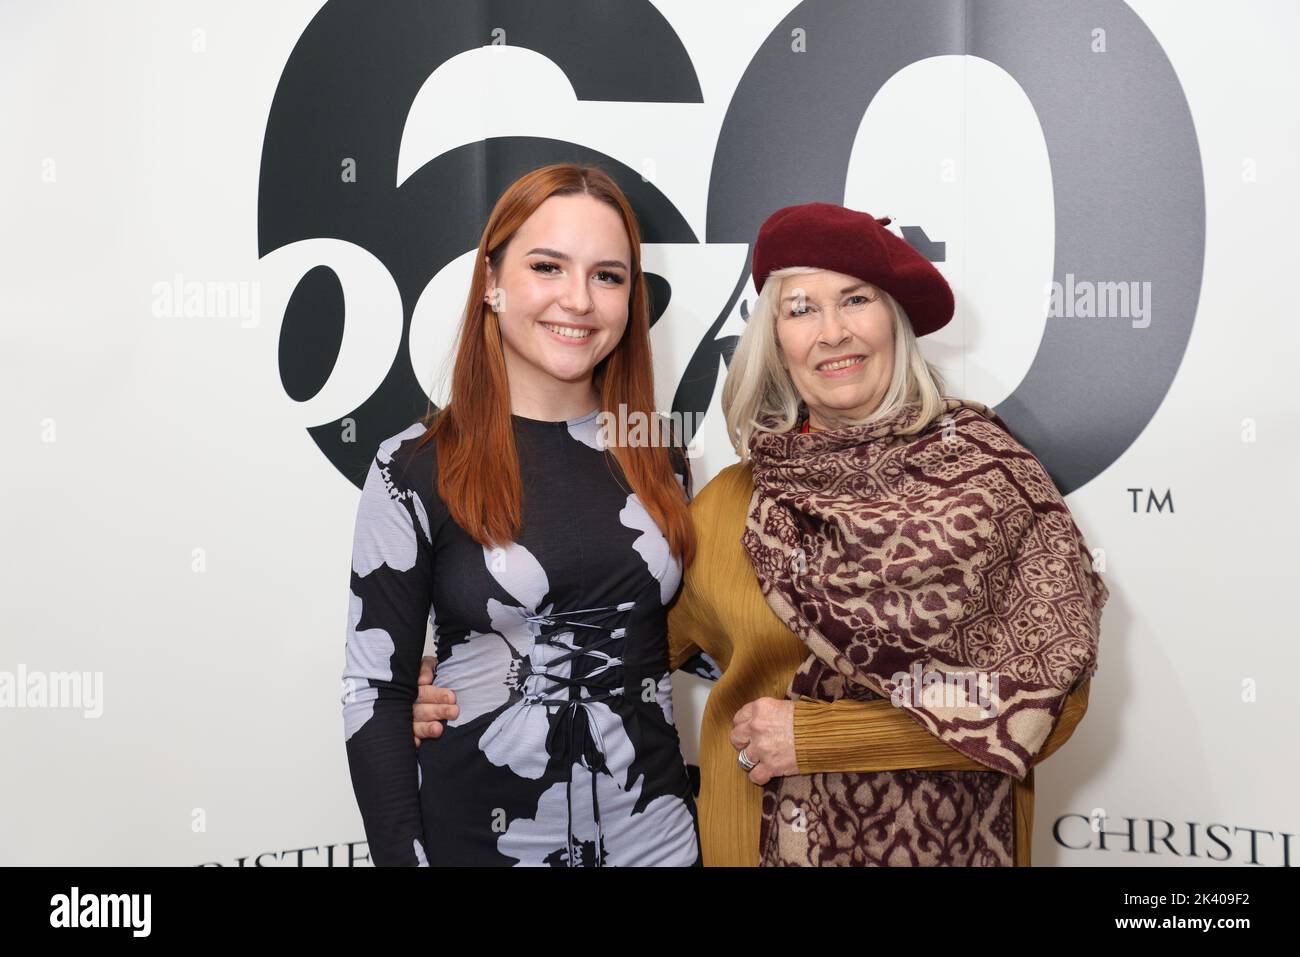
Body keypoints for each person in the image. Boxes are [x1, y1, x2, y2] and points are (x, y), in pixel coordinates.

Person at [416, 201, 1107, 866]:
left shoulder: (991, 478)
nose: (832, 332)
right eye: (800, 309)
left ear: (895, 320)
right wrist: (470, 679)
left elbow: (1052, 705)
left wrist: (822, 738)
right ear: (774, 340)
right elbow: (624, 649)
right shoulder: (731, 506)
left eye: (857, 299)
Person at [342, 162, 702, 866]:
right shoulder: (411, 465)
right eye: (547, 266)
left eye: (608, 275)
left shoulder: (660, 457)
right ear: (491, 281)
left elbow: (694, 642)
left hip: (657, 844)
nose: (579, 300)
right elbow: (373, 692)